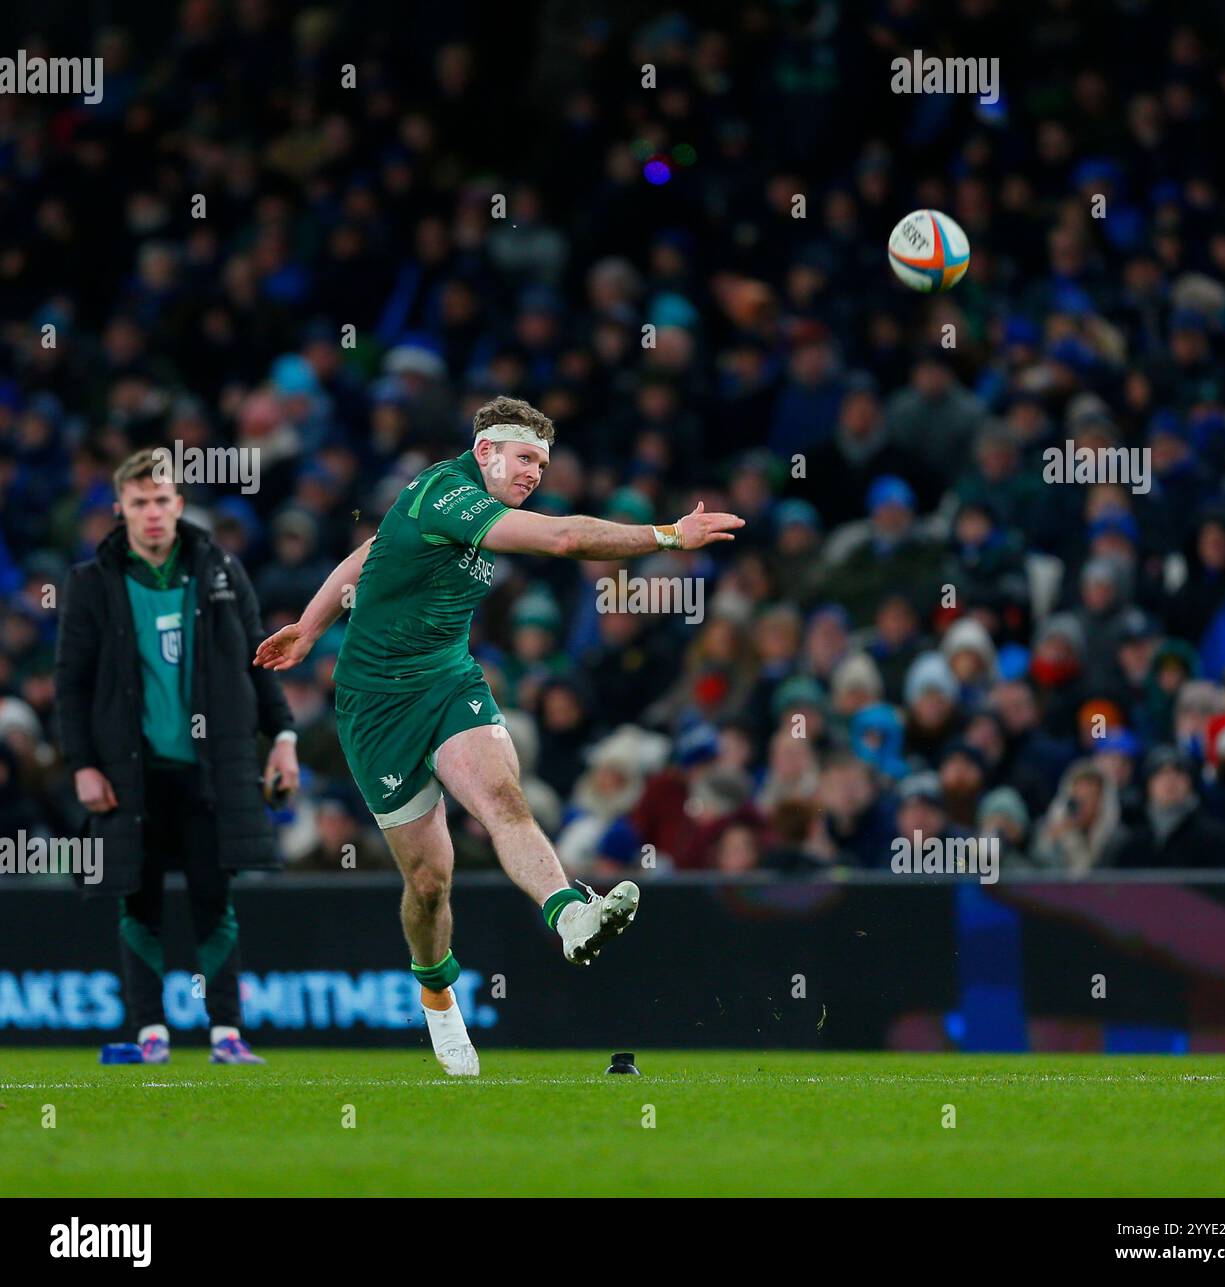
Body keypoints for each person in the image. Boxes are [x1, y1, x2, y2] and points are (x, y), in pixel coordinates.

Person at [254, 396, 742, 1074]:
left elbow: (367, 552)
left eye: (542, 463)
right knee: (429, 882)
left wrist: (308, 628)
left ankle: (570, 912)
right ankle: (438, 998)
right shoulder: (445, 494)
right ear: (485, 452)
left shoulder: (439, 502)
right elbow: (565, 541)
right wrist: (666, 537)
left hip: (450, 681)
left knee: (502, 797)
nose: (534, 473)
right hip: (376, 709)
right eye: (524, 459)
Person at [55, 450, 298, 1065]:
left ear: (180, 505)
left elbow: (260, 659)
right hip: (128, 773)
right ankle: (150, 1033)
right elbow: (71, 683)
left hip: (209, 770)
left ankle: (226, 1033)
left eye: (162, 500)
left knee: (214, 895)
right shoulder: (91, 583)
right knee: (136, 897)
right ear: (120, 510)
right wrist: (82, 763)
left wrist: (286, 737)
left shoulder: (220, 570)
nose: (153, 513)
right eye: (139, 502)